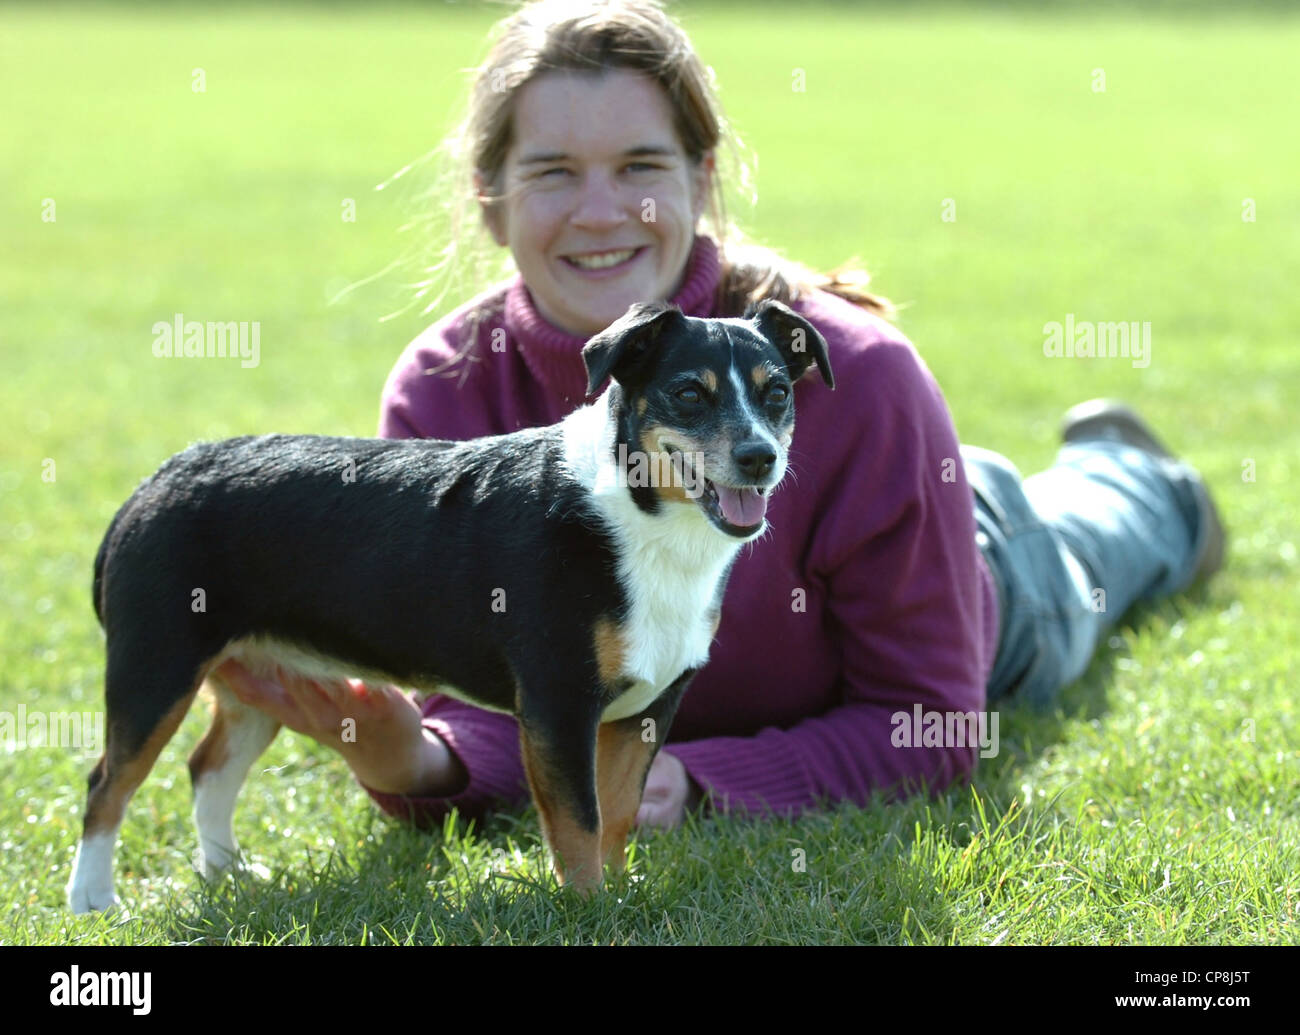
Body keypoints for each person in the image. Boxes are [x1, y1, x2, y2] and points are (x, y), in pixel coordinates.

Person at [217, 0, 1223, 834]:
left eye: (641, 167)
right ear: (491, 203)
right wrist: (420, 762)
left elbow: (927, 723)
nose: (601, 211)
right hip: (908, 502)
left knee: (1100, 539)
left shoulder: (858, 378)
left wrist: (701, 779)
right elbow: (496, 705)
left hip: (997, 572)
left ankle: (1134, 475)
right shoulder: (446, 391)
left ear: (702, 180)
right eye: (553, 172)